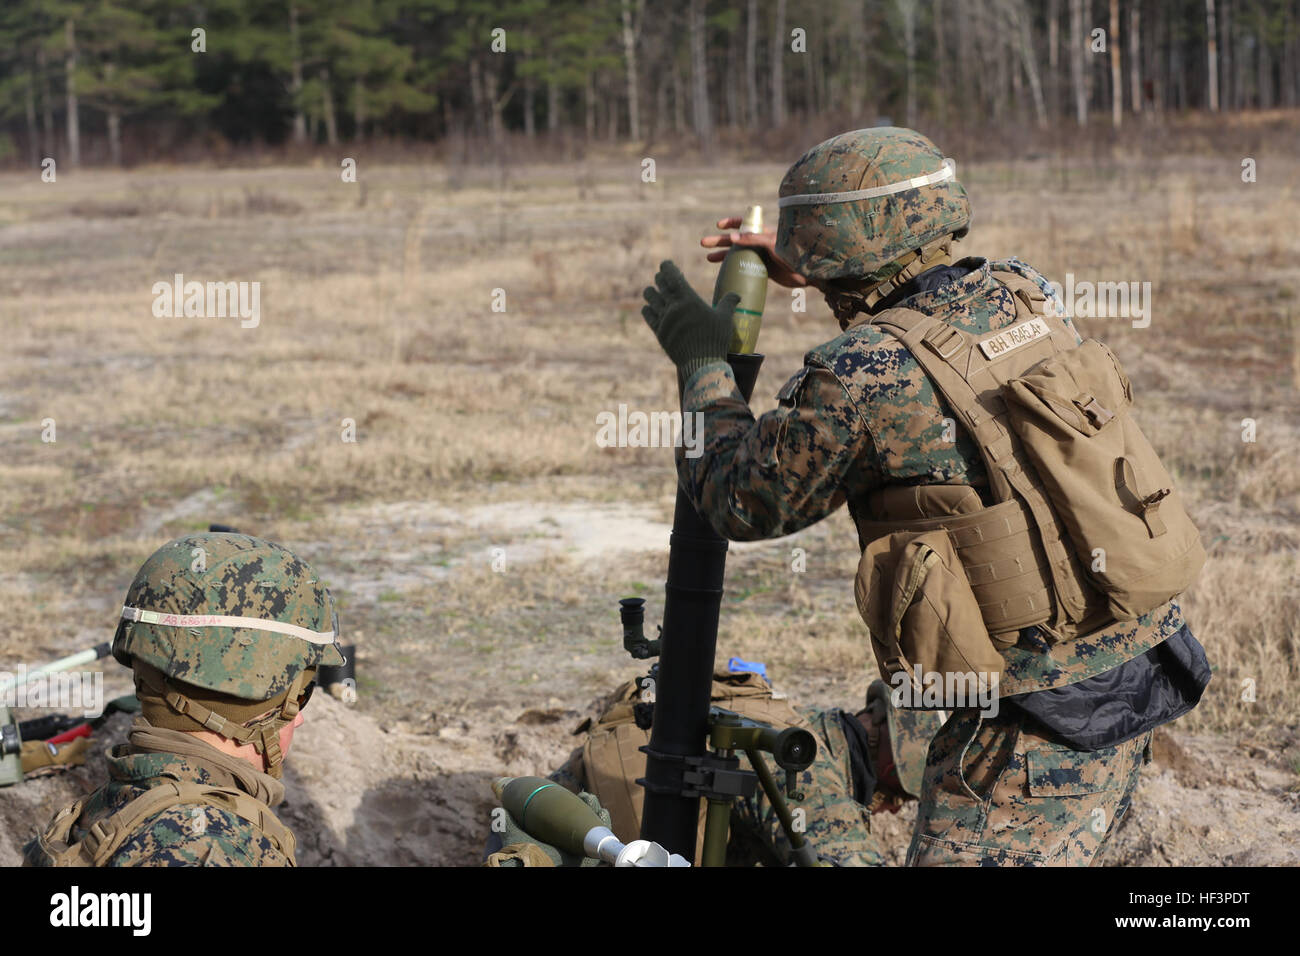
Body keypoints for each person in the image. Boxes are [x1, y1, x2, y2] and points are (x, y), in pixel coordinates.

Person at [640, 126, 1211, 866]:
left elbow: (739, 499)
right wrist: (821, 265)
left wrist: (701, 364)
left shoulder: (858, 374)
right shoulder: (1023, 291)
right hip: (1142, 661)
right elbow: (935, 348)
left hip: (1032, 731)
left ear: (839, 247)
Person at [24, 532, 345, 867]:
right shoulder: (214, 848)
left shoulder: (107, 809)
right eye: (301, 694)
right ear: (253, 702)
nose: (300, 717)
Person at [485, 668, 942, 866]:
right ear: (887, 748)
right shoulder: (810, 776)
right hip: (577, 845)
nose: (898, 807)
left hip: (538, 820)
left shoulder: (791, 718)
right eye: (899, 788)